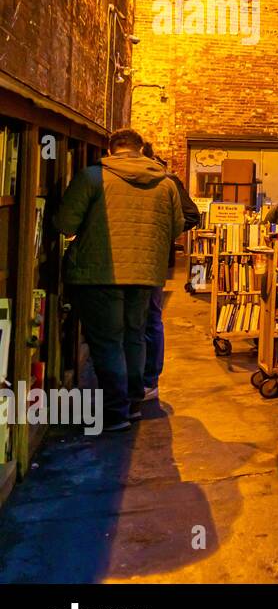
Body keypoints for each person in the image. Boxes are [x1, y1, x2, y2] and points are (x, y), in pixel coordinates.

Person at [54, 128, 184, 431]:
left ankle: (115, 412)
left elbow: (65, 223)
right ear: (140, 150)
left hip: (100, 273)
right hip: (145, 274)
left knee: (108, 341)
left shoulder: (92, 177)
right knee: (134, 336)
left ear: (112, 149)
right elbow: (176, 228)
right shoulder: (166, 184)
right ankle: (134, 403)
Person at [140, 143, 201, 399]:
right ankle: (142, 381)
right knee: (145, 319)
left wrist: (164, 234)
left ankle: (146, 381)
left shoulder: (167, 181)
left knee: (147, 319)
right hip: (144, 259)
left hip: (147, 260)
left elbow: (191, 215)